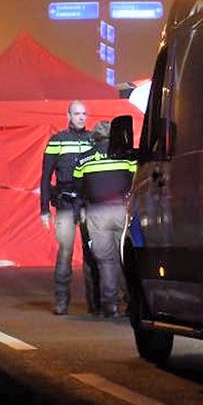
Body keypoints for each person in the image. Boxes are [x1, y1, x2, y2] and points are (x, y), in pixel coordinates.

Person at [40, 100, 98, 315]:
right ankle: (62, 302)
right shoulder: (57, 141)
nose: (81, 117)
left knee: (91, 252)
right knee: (65, 252)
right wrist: (44, 208)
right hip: (65, 203)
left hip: (87, 203)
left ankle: (95, 303)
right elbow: (45, 177)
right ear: (68, 115)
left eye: (84, 114)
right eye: (77, 113)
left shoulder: (94, 140)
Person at [73, 121, 136, 317]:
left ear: (95, 137)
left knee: (107, 261)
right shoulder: (127, 158)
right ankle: (132, 303)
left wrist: (79, 213)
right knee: (127, 259)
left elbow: (77, 189)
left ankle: (110, 307)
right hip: (123, 211)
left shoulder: (83, 160)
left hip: (96, 213)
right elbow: (136, 181)